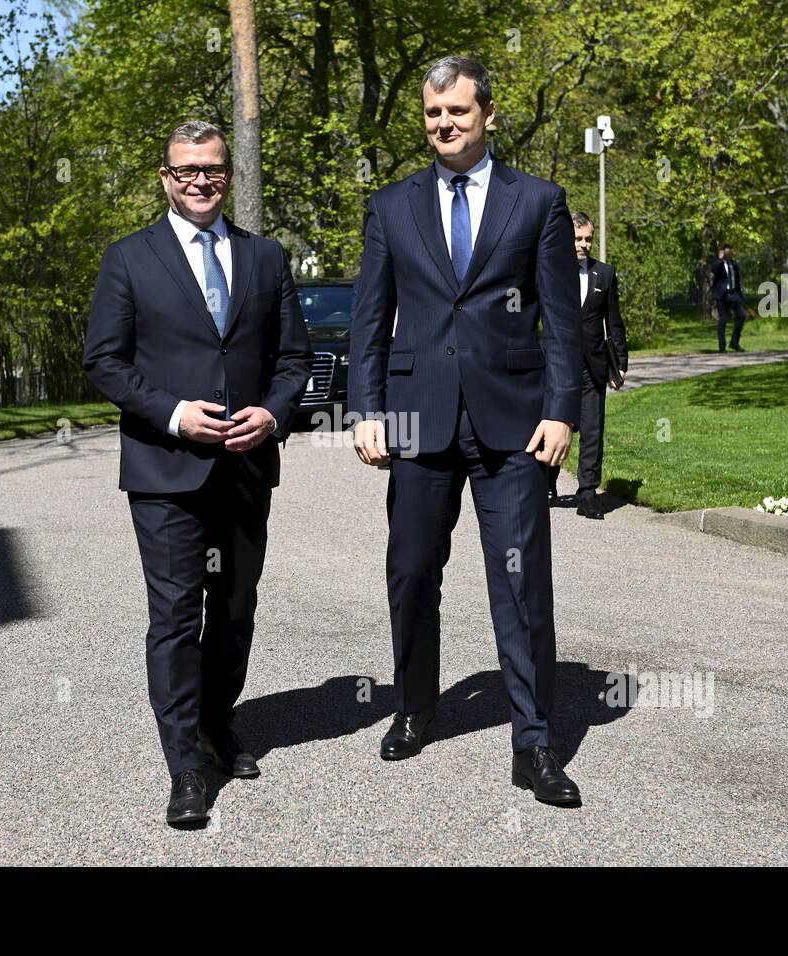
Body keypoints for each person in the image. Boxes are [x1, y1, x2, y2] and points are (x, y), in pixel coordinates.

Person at [348, 56, 585, 806]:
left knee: (519, 583)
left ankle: (534, 744)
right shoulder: (391, 207)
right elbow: (368, 322)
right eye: (431, 114)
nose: (443, 124)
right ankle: (415, 707)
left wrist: (561, 409)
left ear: (488, 115)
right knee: (412, 572)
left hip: (513, 423)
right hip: (417, 421)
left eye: (456, 111)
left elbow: (561, 322)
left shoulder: (538, 201)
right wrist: (368, 409)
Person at [83, 121, 312, 828]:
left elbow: (294, 361)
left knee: (236, 610)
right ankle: (184, 766)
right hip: (165, 467)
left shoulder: (266, 257)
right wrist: (176, 414)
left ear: (228, 175)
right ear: (165, 177)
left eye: (212, 169)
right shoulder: (129, 260)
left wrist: (273, 414)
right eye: (186, 171)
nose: (200, 181)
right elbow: (104, 362)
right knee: (177, 616)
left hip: (246, 465)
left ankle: (217, 725)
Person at [547, 212, 628, 519]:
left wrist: (619, 364)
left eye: (588, 239)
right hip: (556, 365)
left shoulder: (604, 275)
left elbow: (614, 322)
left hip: (592, 365)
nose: (583, 245)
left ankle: (587, 494)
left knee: (592, 431)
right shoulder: (550, 271)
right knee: (555, 423)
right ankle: (548, 482)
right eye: (577, 238)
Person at [710, 244, 746, 353]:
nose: (729, 255)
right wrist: (720, 258)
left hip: (734, 294)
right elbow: (713, 268)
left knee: (741, 315)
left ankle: (734, 342)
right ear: (723, 253)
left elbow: (737, 280)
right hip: (722, 295)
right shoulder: (719, 264)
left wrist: (739, 295)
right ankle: (722, 346)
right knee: (723, 319)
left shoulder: (734, 264)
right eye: (727, 253)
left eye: (731, 253)